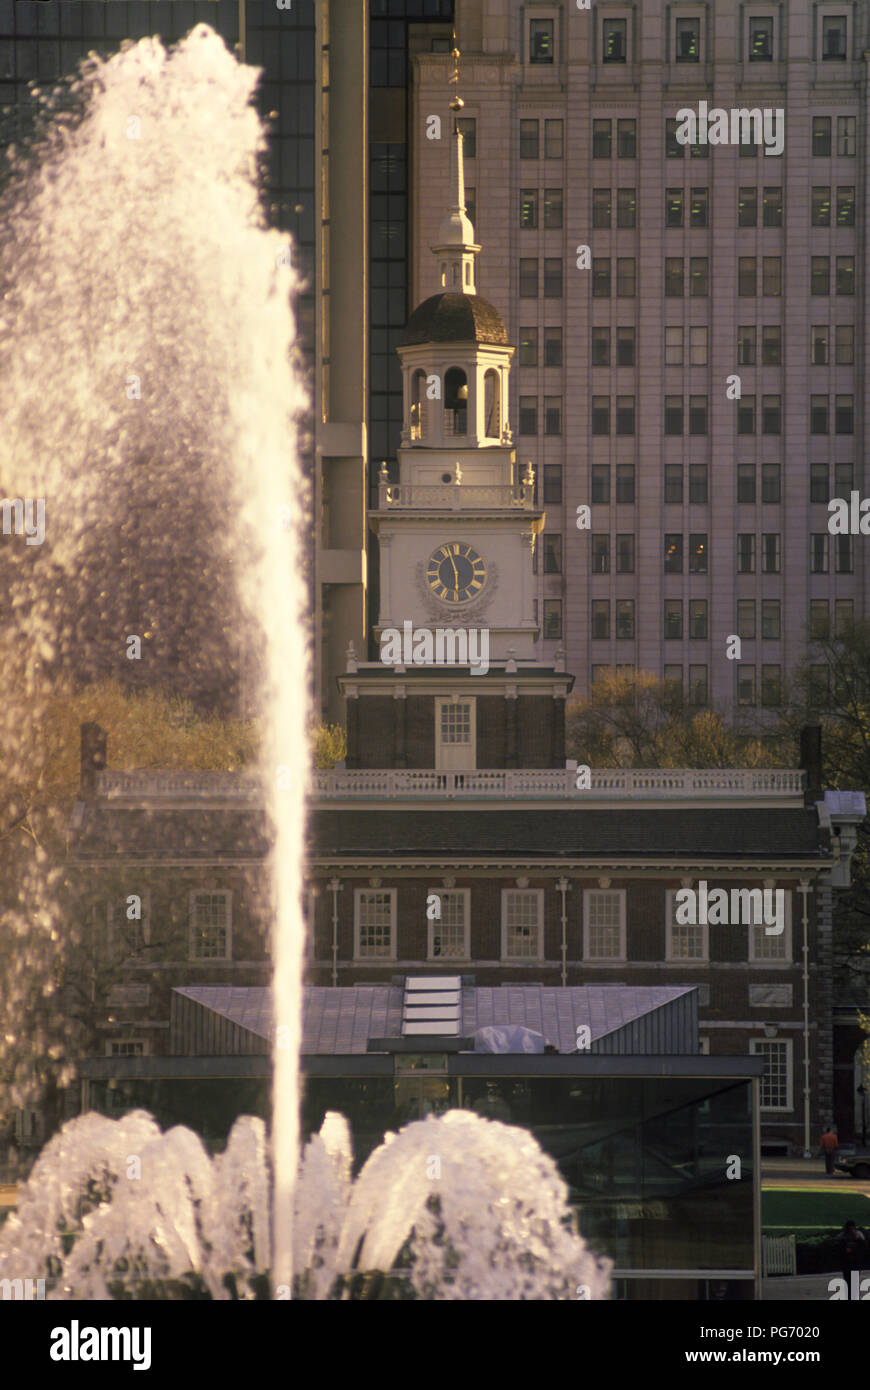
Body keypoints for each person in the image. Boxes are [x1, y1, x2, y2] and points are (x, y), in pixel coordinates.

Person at [837, 1221, 866, 1299]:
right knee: (848, 1282)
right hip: (847, 1263)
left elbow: (864, 1247)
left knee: (853, 1283)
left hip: (855, 1263)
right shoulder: (843, 1237)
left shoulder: (858, 1235)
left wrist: (858, 1239)